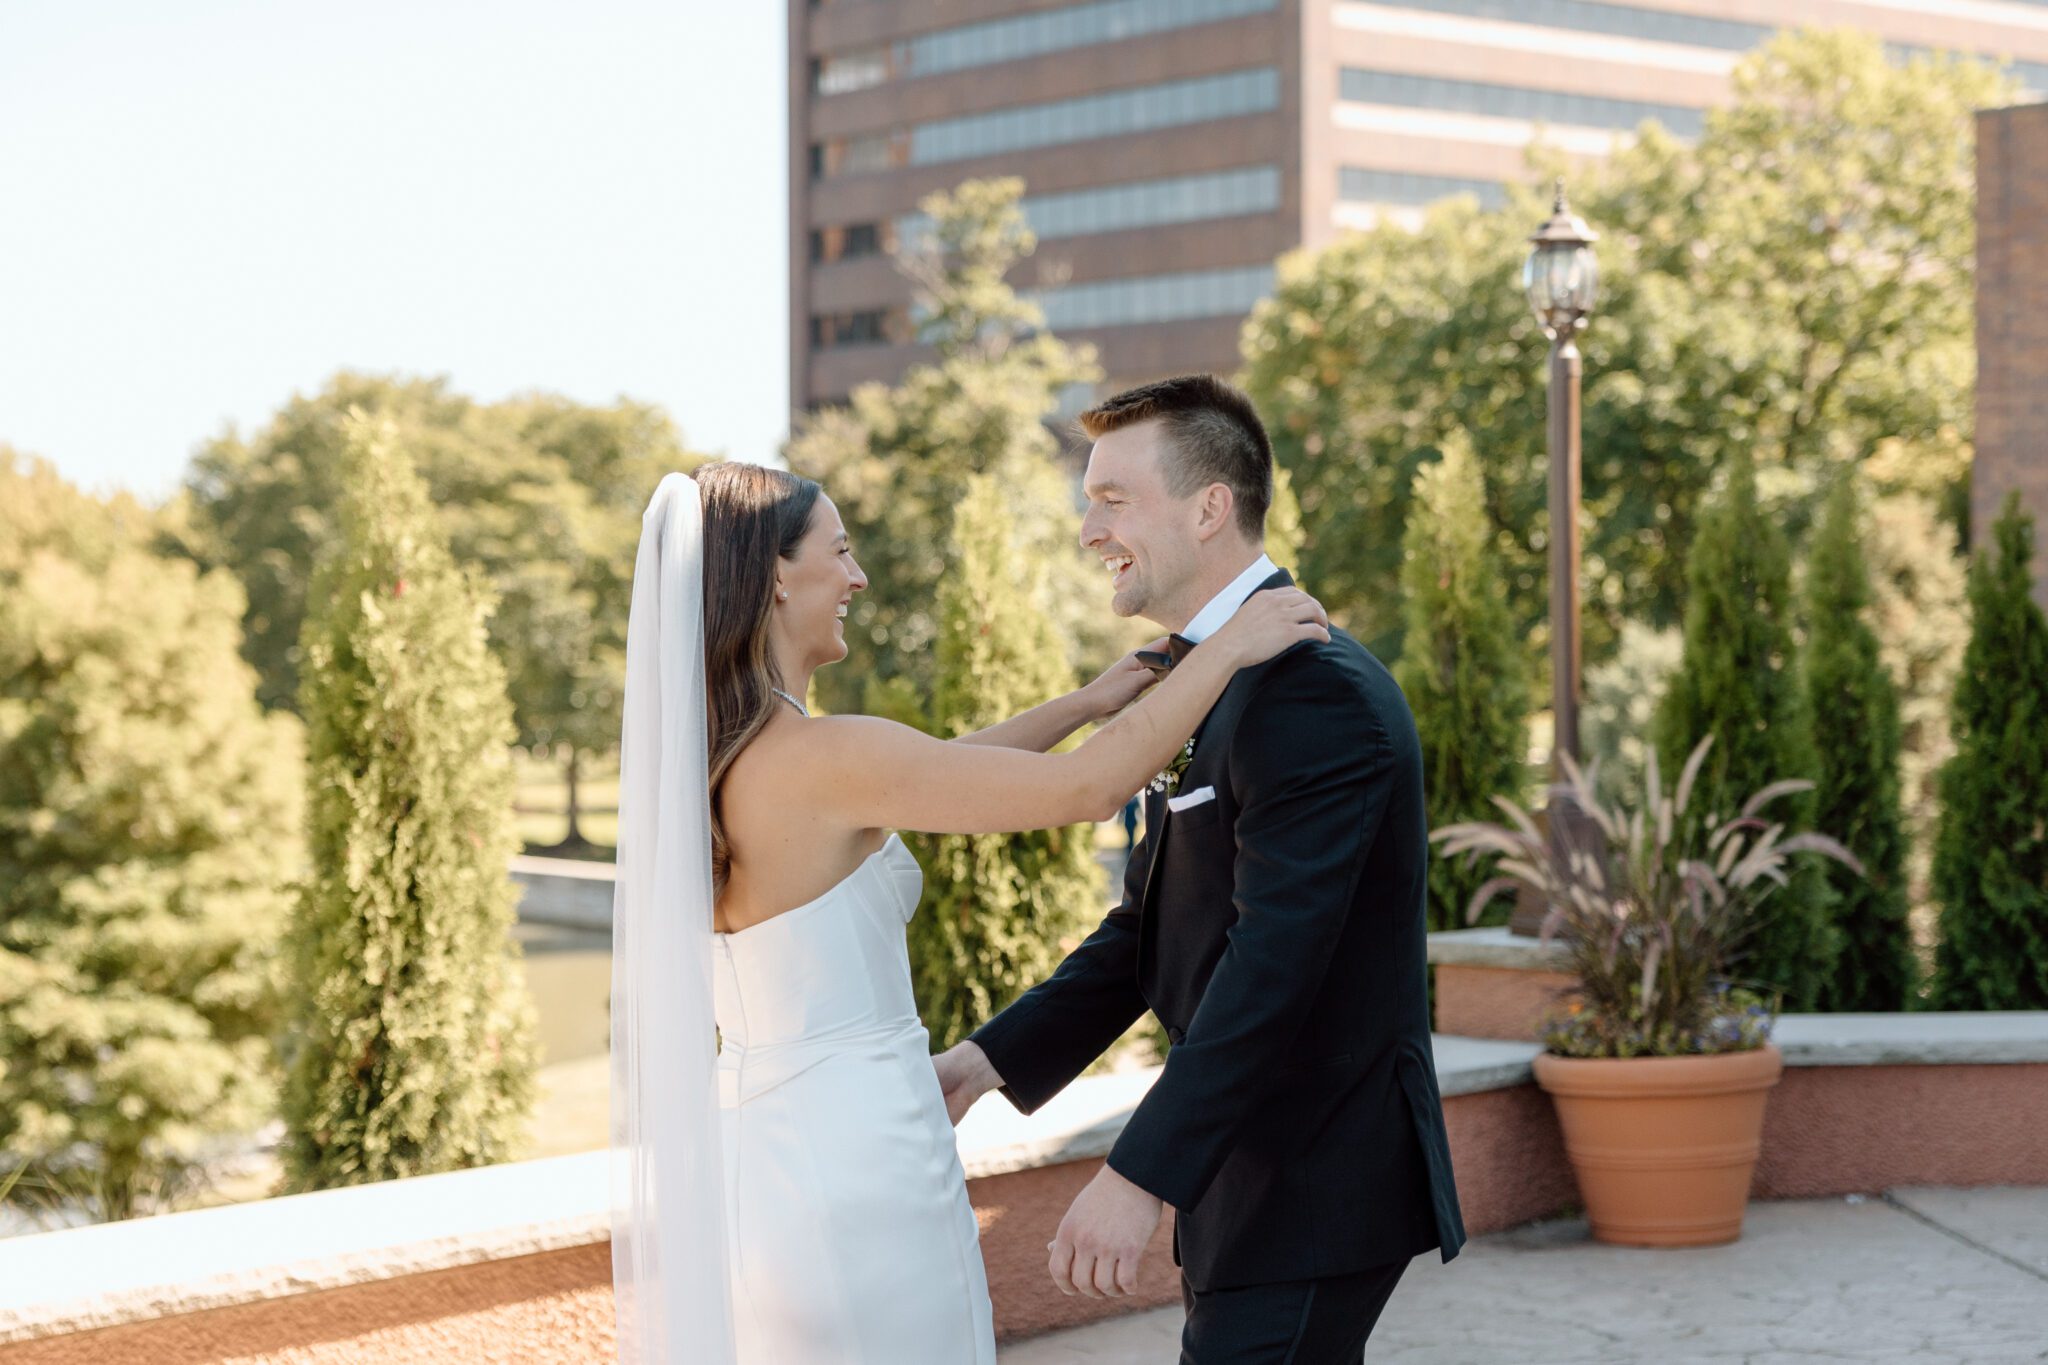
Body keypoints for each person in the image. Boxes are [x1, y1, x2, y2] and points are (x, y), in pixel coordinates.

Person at [608, 459, 1330, 1364]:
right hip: (858, 1151)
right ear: (776, 574)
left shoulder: (741, 757)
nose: (859, 578)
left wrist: (1090, 699)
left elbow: (938, 767)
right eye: (841, 550)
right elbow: (1088, 787)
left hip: (768, 1145)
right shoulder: (824, 755)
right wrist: (1226, 648)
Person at [934, 375, 1466, 1364]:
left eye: (1111, 499)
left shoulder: (1310, 692)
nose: (1087, 529)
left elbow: (1274, 964)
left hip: (1314, 1174)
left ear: (1208, 507)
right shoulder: (1202, 678)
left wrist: (1139, 1175)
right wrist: (985, 1061)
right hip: (1250, 1172)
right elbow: (1151, 925)